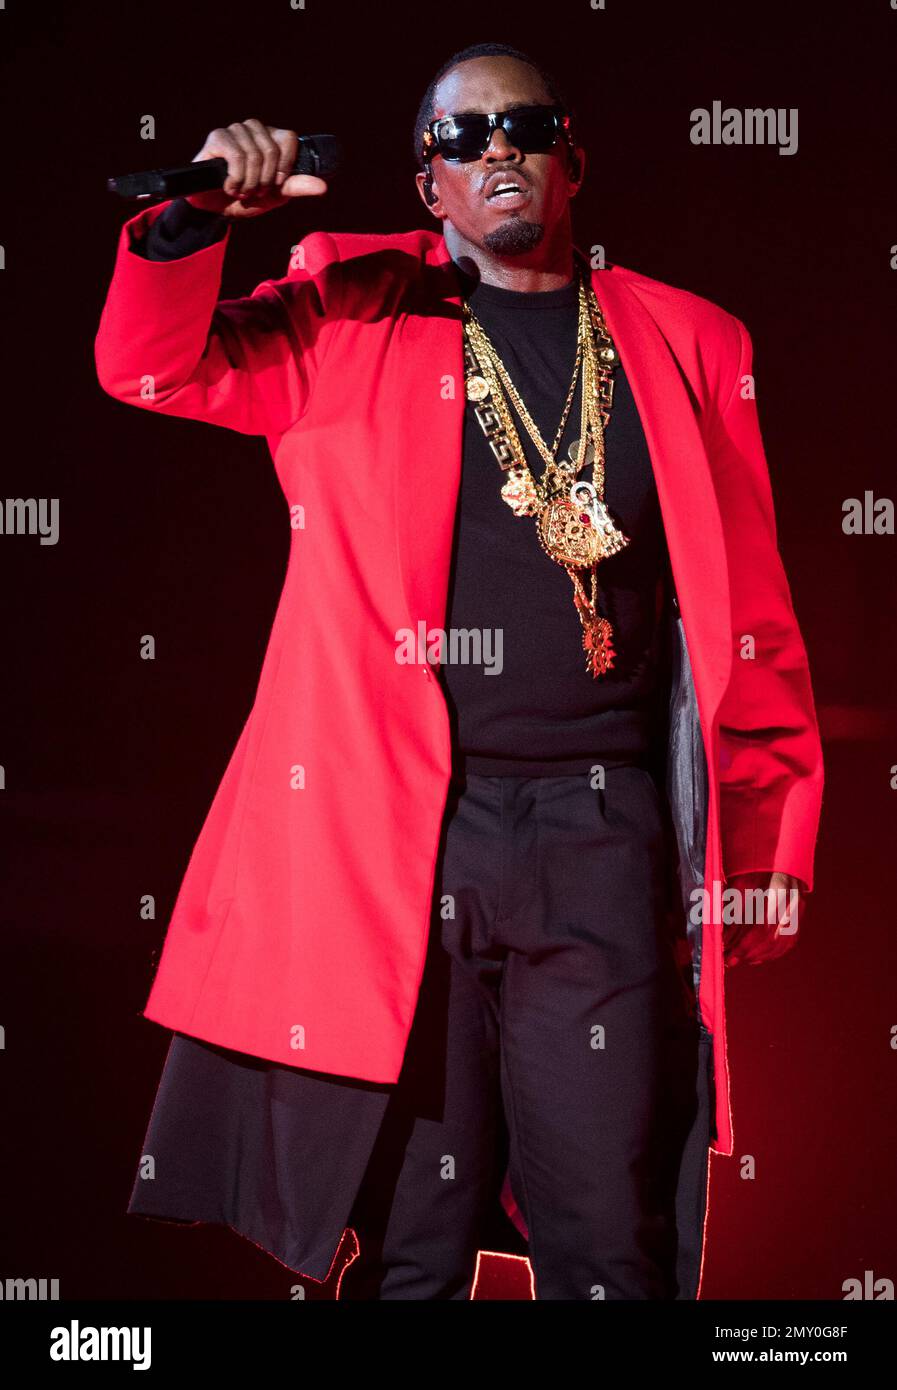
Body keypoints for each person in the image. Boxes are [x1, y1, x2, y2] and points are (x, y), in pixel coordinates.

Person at [95, 42, 824, 1300]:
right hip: (408, 836)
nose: (498, 151)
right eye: (462, 137)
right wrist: (187, 220)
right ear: (427, 182)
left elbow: (749, 610)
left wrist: (767, 839)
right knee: (415, 1249)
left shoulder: (690, 343)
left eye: (526, 127)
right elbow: (153, 367)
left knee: (616, 1244)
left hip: (606, 835)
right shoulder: (351, 308)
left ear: (574, 160)